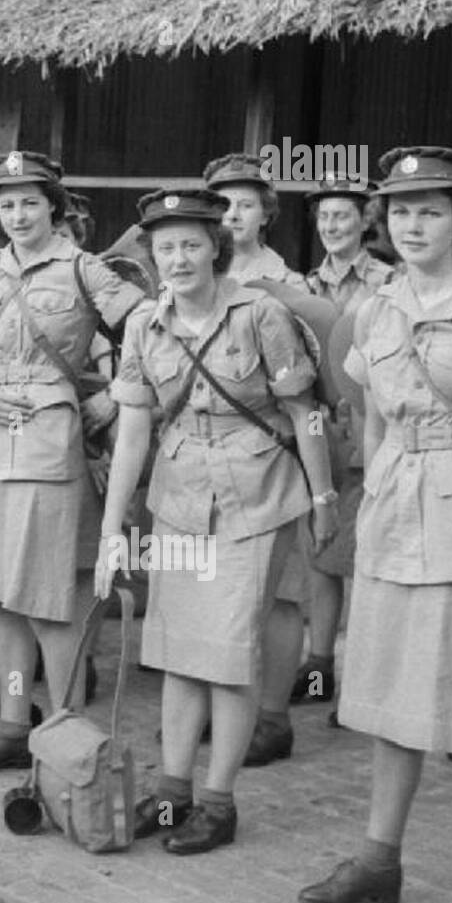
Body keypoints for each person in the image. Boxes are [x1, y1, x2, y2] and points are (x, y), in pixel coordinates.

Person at [299, 147, 452, 903]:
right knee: (387, 699)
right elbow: (373, 414)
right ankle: (377, 860)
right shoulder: (376, 309)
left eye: (429, 210)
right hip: (393, 509)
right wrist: (373, 490)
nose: (411, 225)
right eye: (399, 212)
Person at [97, 187, 337, 854]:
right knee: (177, 654)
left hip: (256, 498)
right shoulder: (145, 324)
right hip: (177, 502)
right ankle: (172, 794)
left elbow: (302, 412)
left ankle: (218, 801)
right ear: (152, 255)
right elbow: (133, 432)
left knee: (229, 658)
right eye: (165, 247)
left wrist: (323, 500)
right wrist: (111, 527)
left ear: (215, 248)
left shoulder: (259, 314)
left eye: (190, 245)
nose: (177, 258)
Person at [0, 152, 147, 767]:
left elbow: (148, 326)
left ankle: (63, 732)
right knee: (0, 598)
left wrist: (113, 396)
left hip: (50, 447)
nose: (18, 214)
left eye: (29, 201)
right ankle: (9, 722)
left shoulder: (84, 270)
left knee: (51, 599)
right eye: (6, 203)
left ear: (54, 205)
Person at [205, 151, 314, 767]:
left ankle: (272, 716)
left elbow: (309, 389)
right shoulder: (193, 279)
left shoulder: (286, 286)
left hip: (274, 456)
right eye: (222, 203)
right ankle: (226, 708)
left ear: (266, 214)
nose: (233, 214)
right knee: (222, 588)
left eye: (246, 203)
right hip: (211, 465)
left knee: (280, 592)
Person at [290, 172, 393, 711]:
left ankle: (366, 683)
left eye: (342, 216)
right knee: (321, 553)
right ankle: (319, 667)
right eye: (324, 217)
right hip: (321, 434)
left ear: (364, 221)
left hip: (373, 431)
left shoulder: (388, 282)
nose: (332, 226)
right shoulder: (304, 285)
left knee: (369, 556)